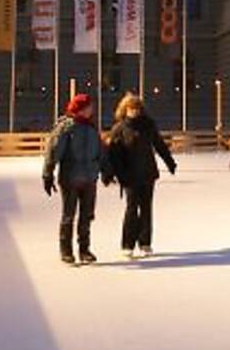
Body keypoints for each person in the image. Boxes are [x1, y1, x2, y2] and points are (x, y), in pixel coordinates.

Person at [106, 93, 176, 259]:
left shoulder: (148, 126)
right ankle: (127, 244)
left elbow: (159, 145)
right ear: (125, 109)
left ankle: (145, 243)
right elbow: (113, 154)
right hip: (129, 176)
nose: (134, 112)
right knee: (131, 209)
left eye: (137, 108)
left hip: (147, 174)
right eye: (131, 108)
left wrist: (169, 162)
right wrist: (110, 173)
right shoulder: (119, 128)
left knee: (146, 209)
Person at [43, 93, 105, 264]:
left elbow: (100, 152)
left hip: (90, 178)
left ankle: (84, 250)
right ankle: (66, 250)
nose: (92, 110)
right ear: (80, 108)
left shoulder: (92, 129)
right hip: (70, 178)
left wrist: (106, 170)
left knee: (87, 215)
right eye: (89, 107)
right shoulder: (66, 127)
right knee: (69, 215)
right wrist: (48, 173)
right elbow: (54, 150)